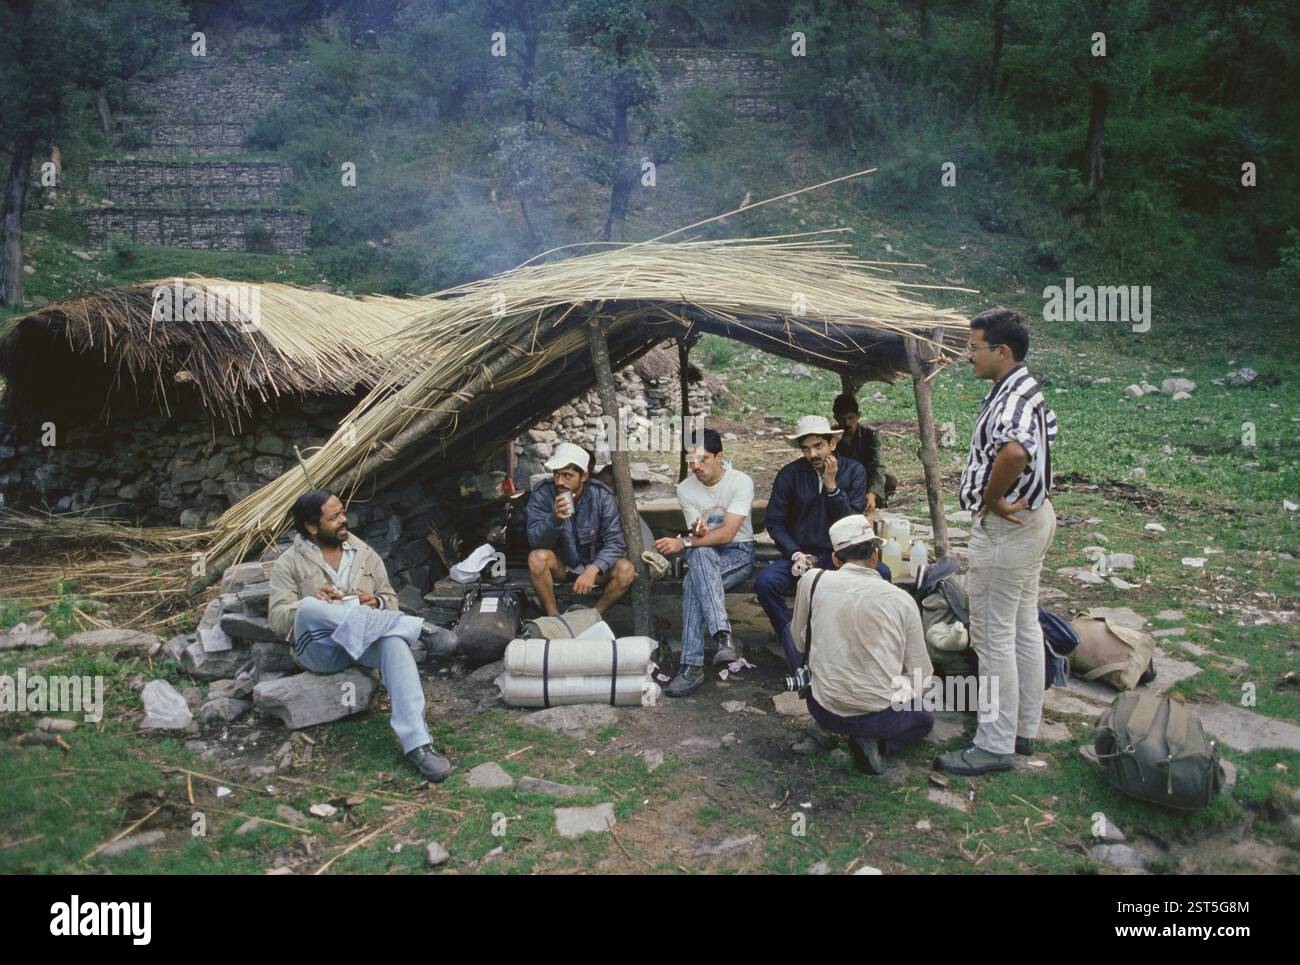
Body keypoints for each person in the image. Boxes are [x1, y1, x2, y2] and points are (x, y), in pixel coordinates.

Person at [935, 307, 1057, 776]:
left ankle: (993, 743)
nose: (968, 355)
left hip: (1009, 528)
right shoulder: (1022, 388)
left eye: (973, 347)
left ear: (1001, 351)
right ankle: (1023, 727)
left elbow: (1015, 450)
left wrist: (992, 496)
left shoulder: (1010, 401)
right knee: (1024, 624)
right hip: (1034, 518)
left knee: (992, 634)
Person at [268, 490, 454, 783]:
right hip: (320, 649)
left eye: (343, 512)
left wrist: (377, 603)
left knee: (393, 643)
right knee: (309, 607)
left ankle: (418, 745)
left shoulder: (363, 552)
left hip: (361, 645)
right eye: (334, 517)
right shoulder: (289, 563)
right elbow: (277, 620)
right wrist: (316, 601)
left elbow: (388, 598)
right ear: (312, 527)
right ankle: (417, 629)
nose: (344, 520)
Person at [789, 514, 934, 774]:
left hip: (822, 707)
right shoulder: (901, 599)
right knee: (923, 717)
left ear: (835, 558)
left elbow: (800, 643)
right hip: (880, 717)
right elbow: (921, 676)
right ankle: (878, 744)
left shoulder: (812, 581)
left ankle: (826, 729)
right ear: (875, 556)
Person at [754, 415, 890, 654]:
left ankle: (860, 638)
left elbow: (851, 520)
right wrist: (795, 552)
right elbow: (775, 522)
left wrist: (832, 487)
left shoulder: (854, 471)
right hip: (801, 554)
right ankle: (794, 640)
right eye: (806, 449)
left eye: (818, 446)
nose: (813, 454)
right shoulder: (789, 474)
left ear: (832, 445)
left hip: (843, 554)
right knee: (766, 583)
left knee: (881, 573)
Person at [651, 428, 756, 696]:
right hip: (706, 552)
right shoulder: (685, 489)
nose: (695, 466)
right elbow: (702, 534)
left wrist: (684, 542)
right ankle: (723, 637)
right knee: (699, 556)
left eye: (703, 458)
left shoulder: (740, 482)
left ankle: (691, 668)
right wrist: (696, 533)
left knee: (692, 584)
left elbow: (729, 533)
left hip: (738, 552)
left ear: (720, 456)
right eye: (690, 460)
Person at [526, 441, 637, 616]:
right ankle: (554, 616)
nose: (559, 482)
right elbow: (535, 540)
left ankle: (592, 616)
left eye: (567, 476)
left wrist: (593, 569)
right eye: (556, 475)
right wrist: (553, 518)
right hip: (562, 566)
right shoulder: (543, 493)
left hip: (595, 565)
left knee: (626, 570)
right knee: (536, 558)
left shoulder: (601, 496)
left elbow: (615, 542)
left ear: (584, 476)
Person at [832, 393, 897, 510]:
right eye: (842, 419)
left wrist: (872, 492)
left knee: (890, 481)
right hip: (841, 481)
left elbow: (879, 466)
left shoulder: (870, 435)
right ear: (835, 418)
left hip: (865, 480)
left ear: (858, 416)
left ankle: (874, 501)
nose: (847, 423)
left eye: (850, 418)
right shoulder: (830, 437)